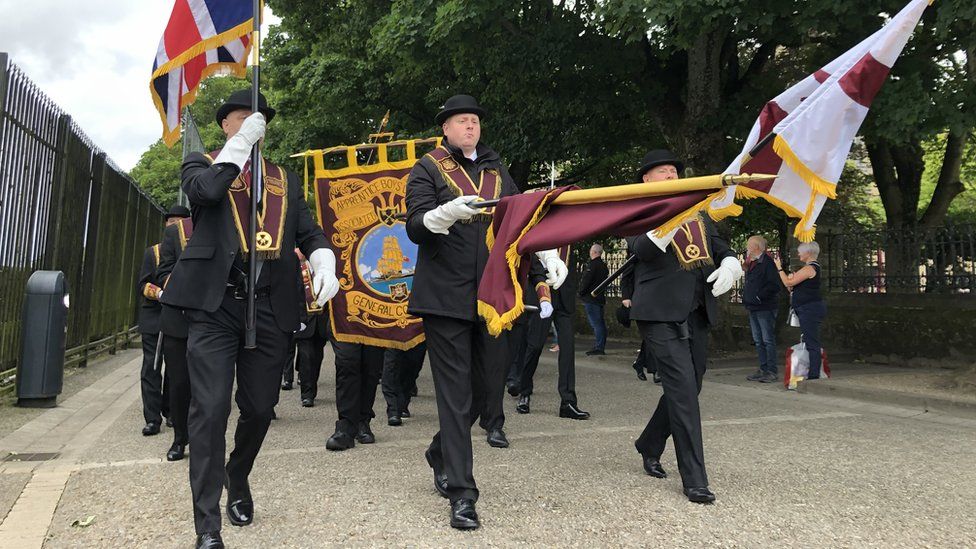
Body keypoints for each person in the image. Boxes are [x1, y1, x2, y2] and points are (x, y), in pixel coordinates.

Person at [161, 89, 340, 549]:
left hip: (268, 306)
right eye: (241, 118)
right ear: (225, 125)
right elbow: (205, 193)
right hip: (216, 307)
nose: (251, 124)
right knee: (210, 410)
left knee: (260, 408)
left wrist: (323, 260)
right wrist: (240, 147)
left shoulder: (284, 178)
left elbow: (309, 231)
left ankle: (237, 475)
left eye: (257, 120)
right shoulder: (203, 163)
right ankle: (207, 525)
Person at [405, 94, 568, 530]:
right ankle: (463, 493)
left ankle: (440, 451)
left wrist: (544, 258)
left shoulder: (497, 171)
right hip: (443, 296)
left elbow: (520, 226)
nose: (470, 126)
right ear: (446, 129)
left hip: (491, 296)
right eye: (462, 121)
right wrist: (444, 213)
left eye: (475, 121)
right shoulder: (427, 168)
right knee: (455, 393)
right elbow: (415, 226)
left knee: (485, 390)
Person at [626, 149, 742, 504]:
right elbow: (640, 248)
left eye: (674, 171)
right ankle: (695, 479)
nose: (671, 176)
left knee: (692, 385)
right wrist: (671, 221)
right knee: (682, 389)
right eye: (663, 171)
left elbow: (719, 246)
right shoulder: (637, 206)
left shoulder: (697, 209)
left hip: (697, 308)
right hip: (659, 310)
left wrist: (731, 262)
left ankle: (649, 443)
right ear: (647, 178)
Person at [514, 248, 590, 420]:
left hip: (565, 293)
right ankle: (525, 392)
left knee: (568, 348)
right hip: (543, 289)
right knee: (535, 345)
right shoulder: (541, 230)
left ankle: (568, 402)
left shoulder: (570, 233)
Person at [155, 204, 193, 461]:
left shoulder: (228, 225)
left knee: (211, 386)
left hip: (215, 319)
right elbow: (163, 273)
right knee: (179, 384)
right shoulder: (175, 233)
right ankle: (180, 438)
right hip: (178, 318)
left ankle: (205, 437)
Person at [774, 241, 826, 380]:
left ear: (808, 253)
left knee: (812, 341)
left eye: (800, 251)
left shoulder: (810, 268)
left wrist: (779, 268)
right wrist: (790, 280)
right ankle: (812, 371)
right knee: (809, 339)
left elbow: (788, 282)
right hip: (806, 308)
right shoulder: (808, 268)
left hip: (810, 309)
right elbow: (791, 287)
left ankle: (814, 374)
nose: (798, 254)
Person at [742, 235, 781, 383]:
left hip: (765, 306)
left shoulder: (767, 263)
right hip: (753, 306)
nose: (747, 248)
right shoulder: (753, 263)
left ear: (756, 247)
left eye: (749, 246)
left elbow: (774, 285)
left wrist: (759, 297)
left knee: (767, 339)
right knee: (758, 340)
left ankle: (771, 371)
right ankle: (763, 369)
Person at [136, 239, 164, 437]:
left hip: (179, 316)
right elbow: (143, 284)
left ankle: (172, 411)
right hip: (154, 315)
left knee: (177, 370)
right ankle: (152, 417)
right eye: (171, 223)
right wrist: (159, 293)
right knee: (151, 367)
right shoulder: (154, 252)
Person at [382, 342, 427, 425]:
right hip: (393, 335)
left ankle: (403, 401)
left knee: (413, 364)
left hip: (417, 336)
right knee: (391, 363)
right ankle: (394, 409)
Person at [579, 243, 610, 356]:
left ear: (594, 252)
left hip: (591, 299)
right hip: (599, 298)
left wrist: (581, 292)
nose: (590, 252)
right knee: (600, 323)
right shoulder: (603, 266)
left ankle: (599, 347)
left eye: (591, 250)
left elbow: (586, 281)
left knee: (596, 323)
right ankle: (600, 345)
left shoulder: (592, 265)